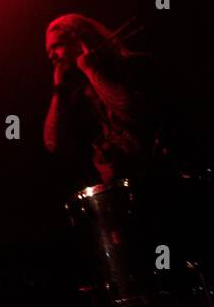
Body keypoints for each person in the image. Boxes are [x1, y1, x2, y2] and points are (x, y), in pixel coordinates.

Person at [42, 13, 165, 187]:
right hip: (115, 192)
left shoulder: (135, 66)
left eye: (56, 46)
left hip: (158, 180)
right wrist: (58, 90)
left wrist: (91, 69)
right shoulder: (76, 94)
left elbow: (132, 113)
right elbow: (53, 144)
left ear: (80, 41)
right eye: (48, 51)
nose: (51, 56)